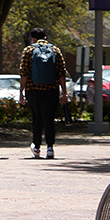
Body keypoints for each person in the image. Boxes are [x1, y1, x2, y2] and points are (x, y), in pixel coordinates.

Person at [19, 27, 70, 158]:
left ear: (33, 38)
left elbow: (24, 73)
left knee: (37, 118)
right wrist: (64, 93)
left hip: (33, 89)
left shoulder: (28, 50)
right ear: (45, 37)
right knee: (49, 119)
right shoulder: (55, 50)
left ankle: (36, 147)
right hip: (51, 89)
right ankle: (50, 148)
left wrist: (21, 92)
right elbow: (61, 73)